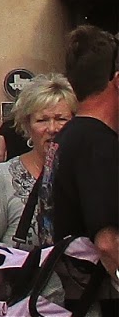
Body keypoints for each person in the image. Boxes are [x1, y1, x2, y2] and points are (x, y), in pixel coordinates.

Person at [40, 25, 119, 279]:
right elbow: (108, 244)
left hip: (67, 290)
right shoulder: (98, 144)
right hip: (95, 299)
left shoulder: (69, 136)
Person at [0, 74, 74, 246]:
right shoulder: (2, 178)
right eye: (42, 120)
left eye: (61, 119)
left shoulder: (92, 176)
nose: (52, 128)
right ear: (27, 125)